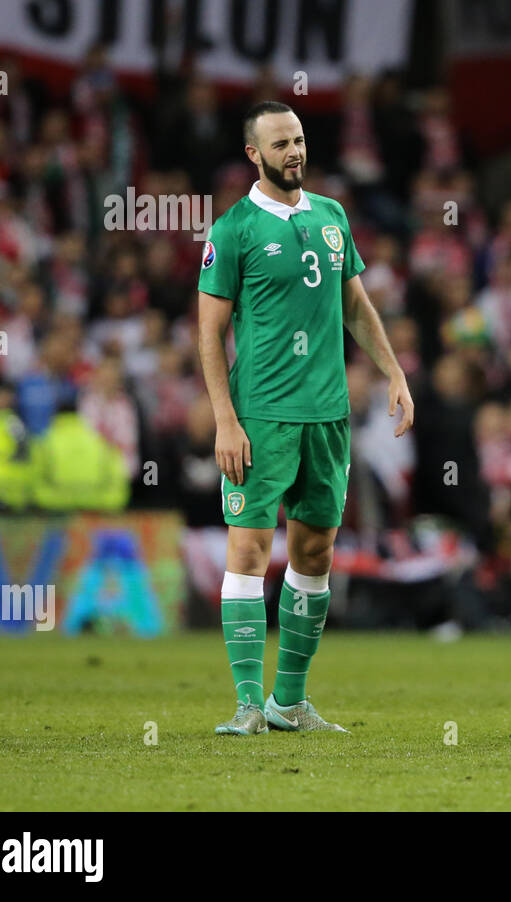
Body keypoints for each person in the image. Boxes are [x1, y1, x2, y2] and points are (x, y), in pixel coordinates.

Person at [198, 101, 415, 736]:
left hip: (327, 414)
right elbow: (209, 333)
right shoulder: (233, 229)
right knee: (248, 548)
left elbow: (356, 303)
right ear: (253, 155)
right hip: (260, 416)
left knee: (315, 551)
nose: (294, 151)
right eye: (279, 144)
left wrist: (393, 371)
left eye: (298, 139)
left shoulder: (332, 215)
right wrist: (224, 420)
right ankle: (247, 704)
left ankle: (287, 702)